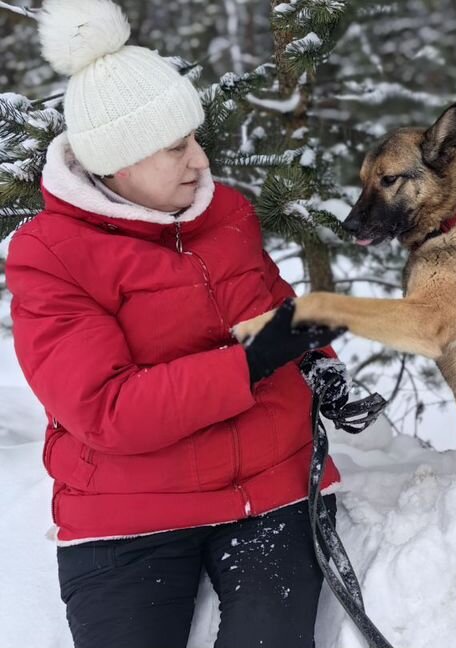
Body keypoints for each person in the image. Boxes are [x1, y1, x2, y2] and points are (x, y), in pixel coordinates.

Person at [5, 1, 384, 646]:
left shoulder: (227, 214)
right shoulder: (51, 255)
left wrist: (317, 366)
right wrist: (250, 364)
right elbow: (106, 408)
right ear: (118, 164)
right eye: (176, 147)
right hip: (128, 512)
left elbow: (275, 307)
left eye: (195, 139)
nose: (200, 160)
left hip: (269, 490)